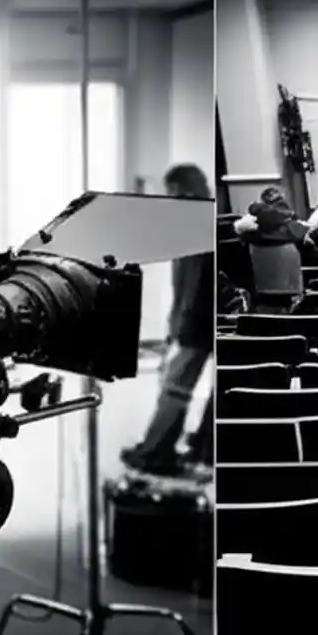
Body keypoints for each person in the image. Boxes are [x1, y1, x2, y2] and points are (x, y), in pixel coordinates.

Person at [120, 164, 214, 478]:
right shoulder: (200, 218)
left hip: (197, 321)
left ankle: (154, 453)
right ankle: (194, 451)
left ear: (179, 189)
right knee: (193, 389)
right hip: (200, 318)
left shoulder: (193, 222)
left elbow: (193, 282)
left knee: (175, 388)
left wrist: (178, 324)